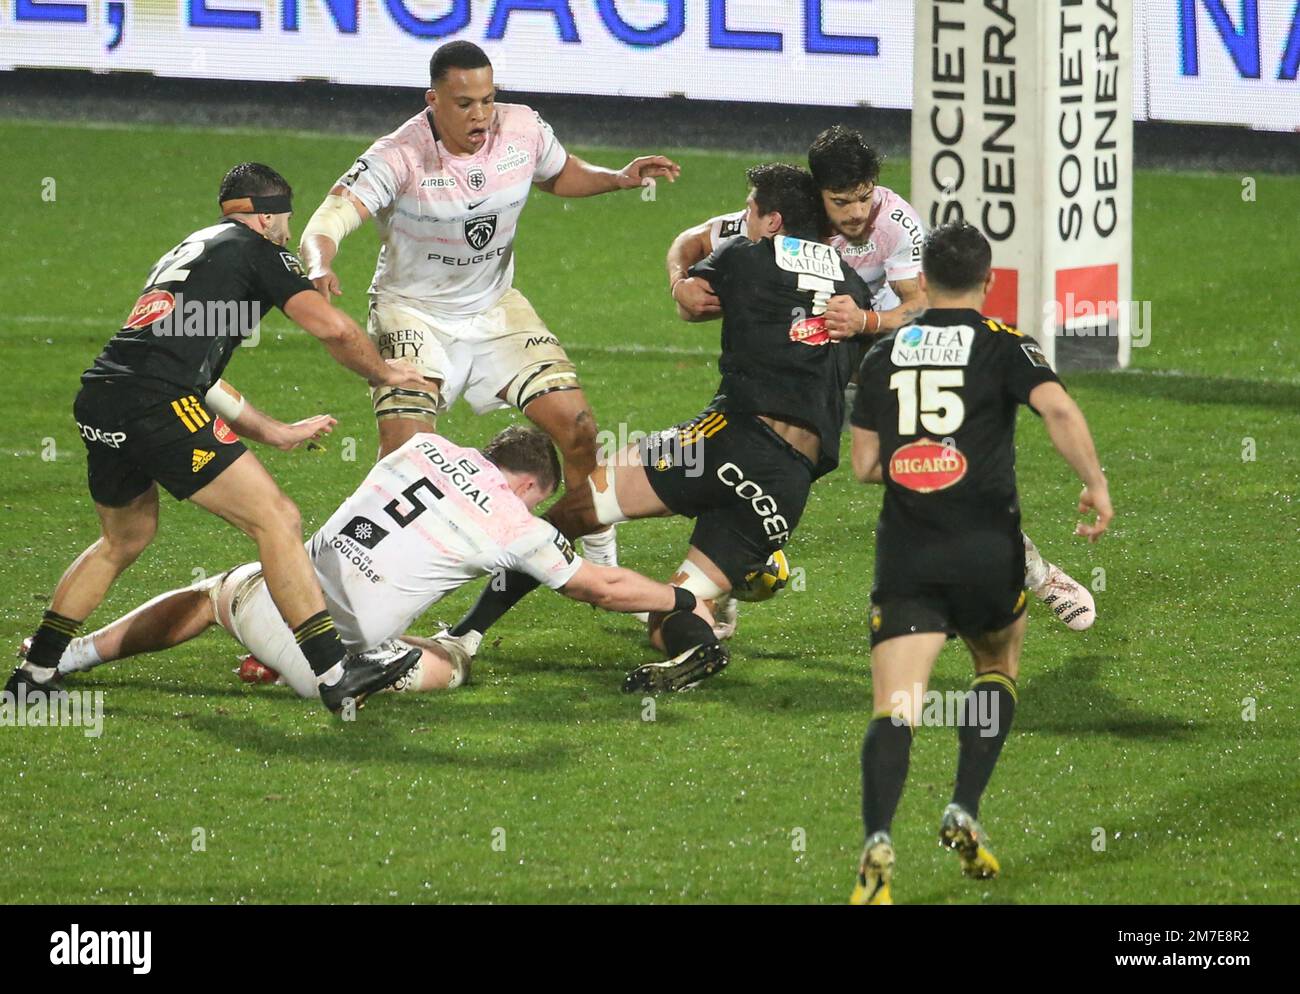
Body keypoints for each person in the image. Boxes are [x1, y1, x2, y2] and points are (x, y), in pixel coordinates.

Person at [6, 162, 432, 715]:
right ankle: (335, 672)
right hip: (156, 403)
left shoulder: (195, 250)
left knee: (124, 539)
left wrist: (273, 431)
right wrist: (385, 372)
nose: (287, 232)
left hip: (104, 396)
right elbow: (333, 328)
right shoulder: (260, 251)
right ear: (268, 216)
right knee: (276, 518)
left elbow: (197, 375)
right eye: (286, 219)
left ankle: (34, 673)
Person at [443, 163, 876, 693]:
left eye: (750, 210)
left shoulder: (745, 254)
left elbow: (692, 301)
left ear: (773, 221)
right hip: (787, 485)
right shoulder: (856, 289)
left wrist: (679, 283)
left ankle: (464, 635)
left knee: (567, 517)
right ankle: (700, 649)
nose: (746, 218)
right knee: (668, 614)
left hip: (726, 440)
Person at [670, 125, 1096, 633]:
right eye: (841, 201)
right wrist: (679, 283)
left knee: (939, 475)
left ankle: (1038, 573)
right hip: (797, 378)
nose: (856, 212)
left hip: (876, 371)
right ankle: (716, 588)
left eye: (864, 196)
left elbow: (919, 304)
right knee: (741, 462)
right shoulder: (789, 211)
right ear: (816, 193)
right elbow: (692, 240)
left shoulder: (894, 222)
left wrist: (866, 320)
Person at [298, 40, 681, 570]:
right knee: (404, 461)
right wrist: (319, 264)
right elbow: (330, 218)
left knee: (579, 428)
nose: (480, 114)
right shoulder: (399, 154)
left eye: (487, 99)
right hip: (412, 312)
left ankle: (601, 566)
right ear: (433, 100)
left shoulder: (522, 128)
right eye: (464, 104)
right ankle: (346, 568)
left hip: (495, 308)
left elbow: (559, 172)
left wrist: (617, 178)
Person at [846, 222, 1113, 905]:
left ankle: (877, 840)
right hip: (988, 548)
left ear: (922, 281)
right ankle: (963, 805)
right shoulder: (1005, 344)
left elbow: (866, 466)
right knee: (996, 665)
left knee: (896, 706)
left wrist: (919, 458)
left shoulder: (882, 354)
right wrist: (1095, 484)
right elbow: (1058, 409)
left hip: (908, 551)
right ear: (989, 282)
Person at [45, 426, 712, 699]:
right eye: (538, 498)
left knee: (210, 592)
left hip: (269, 599)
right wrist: (682, 599)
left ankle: (69, 657)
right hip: (332, 666)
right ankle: (404, 655)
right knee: (450, 664)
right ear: (531, 485)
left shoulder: (421, 445)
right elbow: (601, 588)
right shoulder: (518, 525)